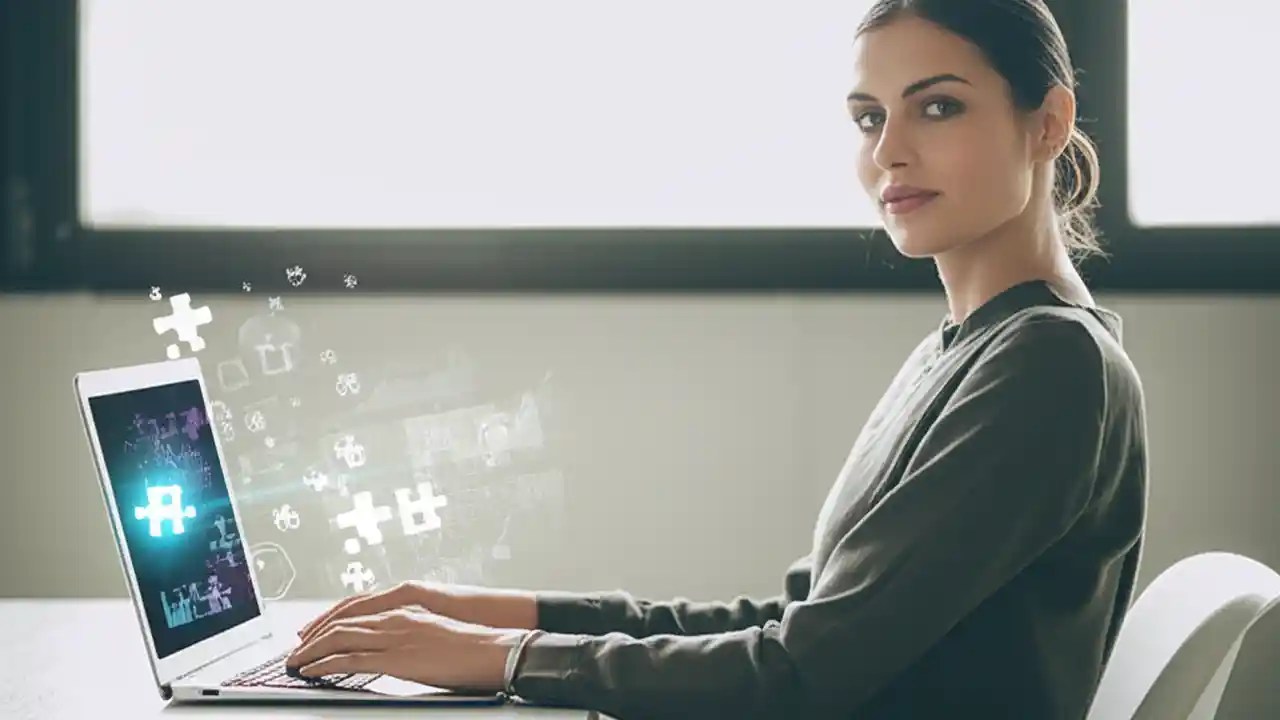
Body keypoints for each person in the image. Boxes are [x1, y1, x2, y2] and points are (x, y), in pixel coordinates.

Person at [285, 1, 1149, 717]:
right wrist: (484, 616)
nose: (887, 150)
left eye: (937, 106)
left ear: (1049, 123)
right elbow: (797, 622)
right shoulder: (969, 351)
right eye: (868, 117)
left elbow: (800, 672)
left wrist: (506, 656)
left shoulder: (1048, 364)